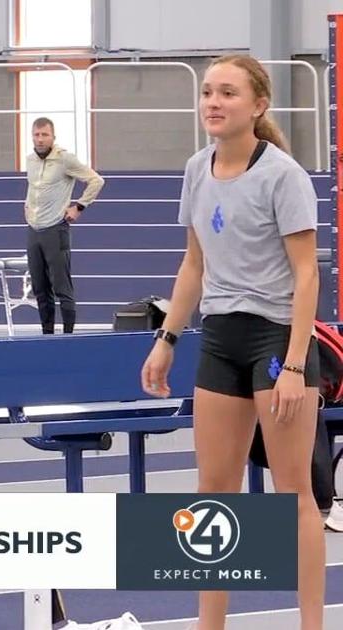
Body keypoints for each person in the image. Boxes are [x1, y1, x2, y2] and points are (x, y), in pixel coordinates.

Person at [141, 55, 324, 630]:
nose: (213, 103)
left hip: (276, 340)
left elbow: (307, 275)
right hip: (220, 336)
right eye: (207, 93)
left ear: (258, 106)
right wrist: (167, 337)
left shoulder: (283, 175)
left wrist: (294, 365)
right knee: (212, 493)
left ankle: (312, 625)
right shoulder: (197, 168)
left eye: (228, 93)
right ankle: (209, 625)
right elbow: (194, 263)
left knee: (291, 493)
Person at [23, 117, 104, 334]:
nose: (40, 139)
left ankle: (68, 336)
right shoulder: (30, 160)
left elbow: (96, 180)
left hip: (55, 229)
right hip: (34, 230)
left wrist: (79, 207)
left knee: (61, 287)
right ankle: (47, 335)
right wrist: (27, 206)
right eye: (37, 135)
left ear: (53, 137)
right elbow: (34, 188)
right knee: (40, 289)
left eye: (44, 135)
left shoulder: (65, 159)